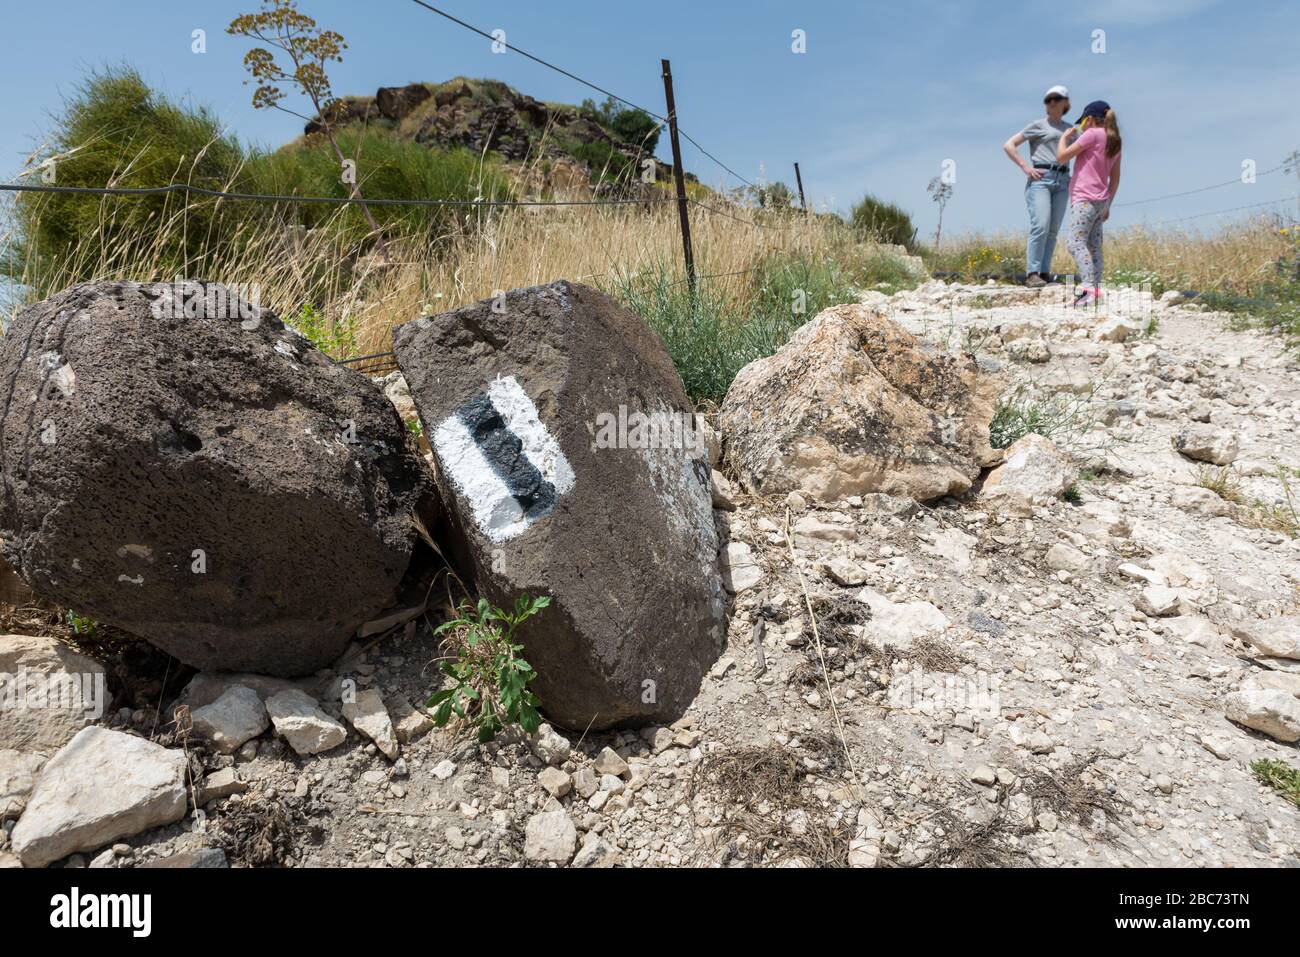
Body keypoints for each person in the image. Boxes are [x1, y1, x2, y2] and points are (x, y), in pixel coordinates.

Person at [1003, 85, 1073, 288]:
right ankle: (1032, 272)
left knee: (1053, 230)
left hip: (1062, 180)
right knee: (1040, 225)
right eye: (1048, 99)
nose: (1052, 102)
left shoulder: (1069, 130)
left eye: (1056, 98)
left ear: (1065, 102)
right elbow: (1009, 145)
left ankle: (1044, 272)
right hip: (1041, 179)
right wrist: (1025, 166)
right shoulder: (1038, 125)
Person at [1057, 100, 1123, 307]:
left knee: (1075, 243)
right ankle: (1095, 291)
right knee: (1093, 247)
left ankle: (1088, 291)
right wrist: (1108, 205)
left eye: (1083, 121)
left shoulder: (1092, 134)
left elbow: (1061, 157)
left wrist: (1064, 138)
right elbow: (1116, 177)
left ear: (1091, 119)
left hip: (1084, 198)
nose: (1082, 126)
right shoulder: (1115, 140)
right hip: (1101, 201)